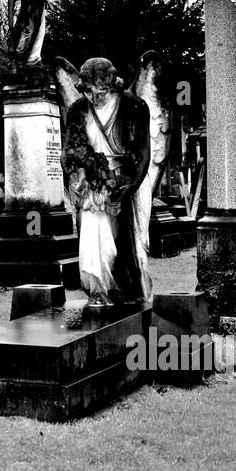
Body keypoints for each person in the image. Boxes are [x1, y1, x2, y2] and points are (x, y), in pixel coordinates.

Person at [61, 58, 152, 304]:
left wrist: (131, 186)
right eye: (89, 92)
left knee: (123, 245)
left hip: (122, 184)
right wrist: (80, 176)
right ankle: (98, 291)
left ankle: (125, 293)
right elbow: (69, 151)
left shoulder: (134, 106)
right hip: (90, 188)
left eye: (100, 91)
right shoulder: (77, 110)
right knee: (92, 241)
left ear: (112, 84)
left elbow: (144, 154)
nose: (95, 97)